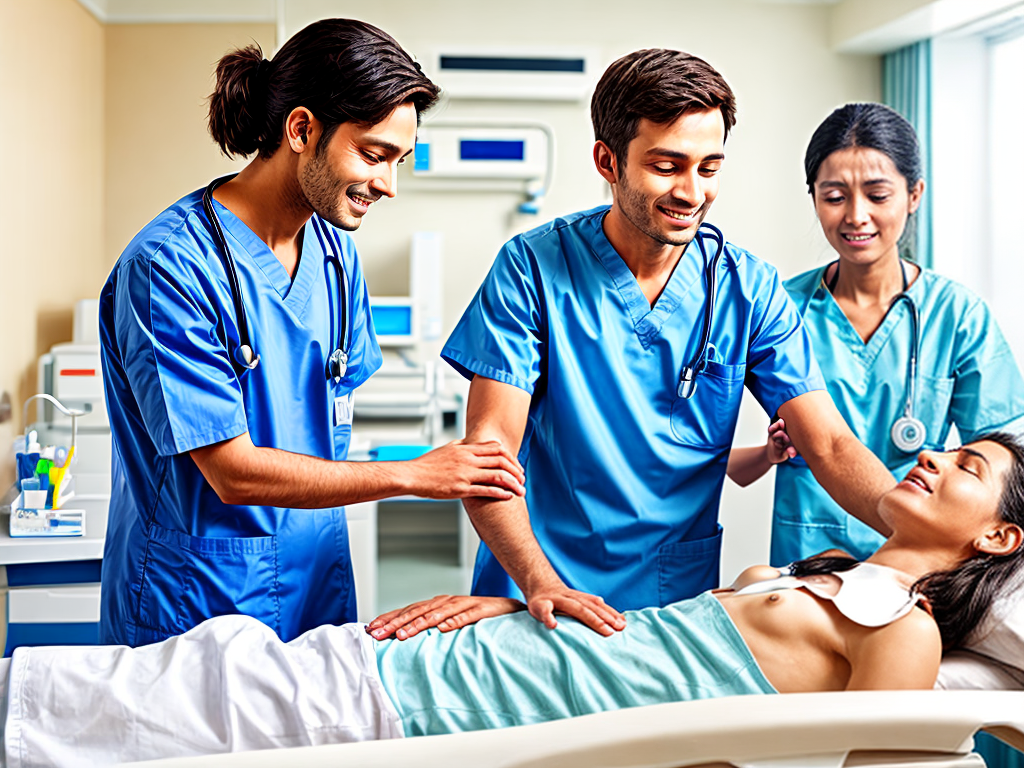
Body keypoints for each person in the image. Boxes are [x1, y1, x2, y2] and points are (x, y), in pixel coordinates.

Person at [3, 435, 1022, 767]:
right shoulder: (807, 578)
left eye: (967, 467)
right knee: (204, 669)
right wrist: (522, 606)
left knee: (179, 703)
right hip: (486, 657)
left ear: (998, 539)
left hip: (470, 713)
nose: (934, 456)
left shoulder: (905, 634)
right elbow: (661, 650)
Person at [402, 49, 900, 638]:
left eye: (709, 168)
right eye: (667, 166)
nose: (692, 192)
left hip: (670, 606)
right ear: (607, 161)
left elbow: (831, 446)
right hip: (535, 593)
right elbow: (489, 456)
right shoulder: (533, 268)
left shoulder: (748, 288)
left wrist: (922, 529)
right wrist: (540, 582)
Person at [97, 19, 525, 649]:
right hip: (198, 599)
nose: (389, 185)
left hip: (315, 584)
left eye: (399, 161)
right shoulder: (170, 266)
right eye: (373, 155)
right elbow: (233, 473)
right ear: (301, 130)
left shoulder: (334, 253)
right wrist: (412, 474)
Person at [727, 103, 1024, 566]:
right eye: (834, 196)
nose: (856, 216)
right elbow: (704, 445)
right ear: (813, 198)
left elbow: (1002, 469)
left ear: (914, 194)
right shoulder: (780, 308)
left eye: (878, 195)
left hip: (918, 565)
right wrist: (768, 454)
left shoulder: (958, 317)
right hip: (806, 561)